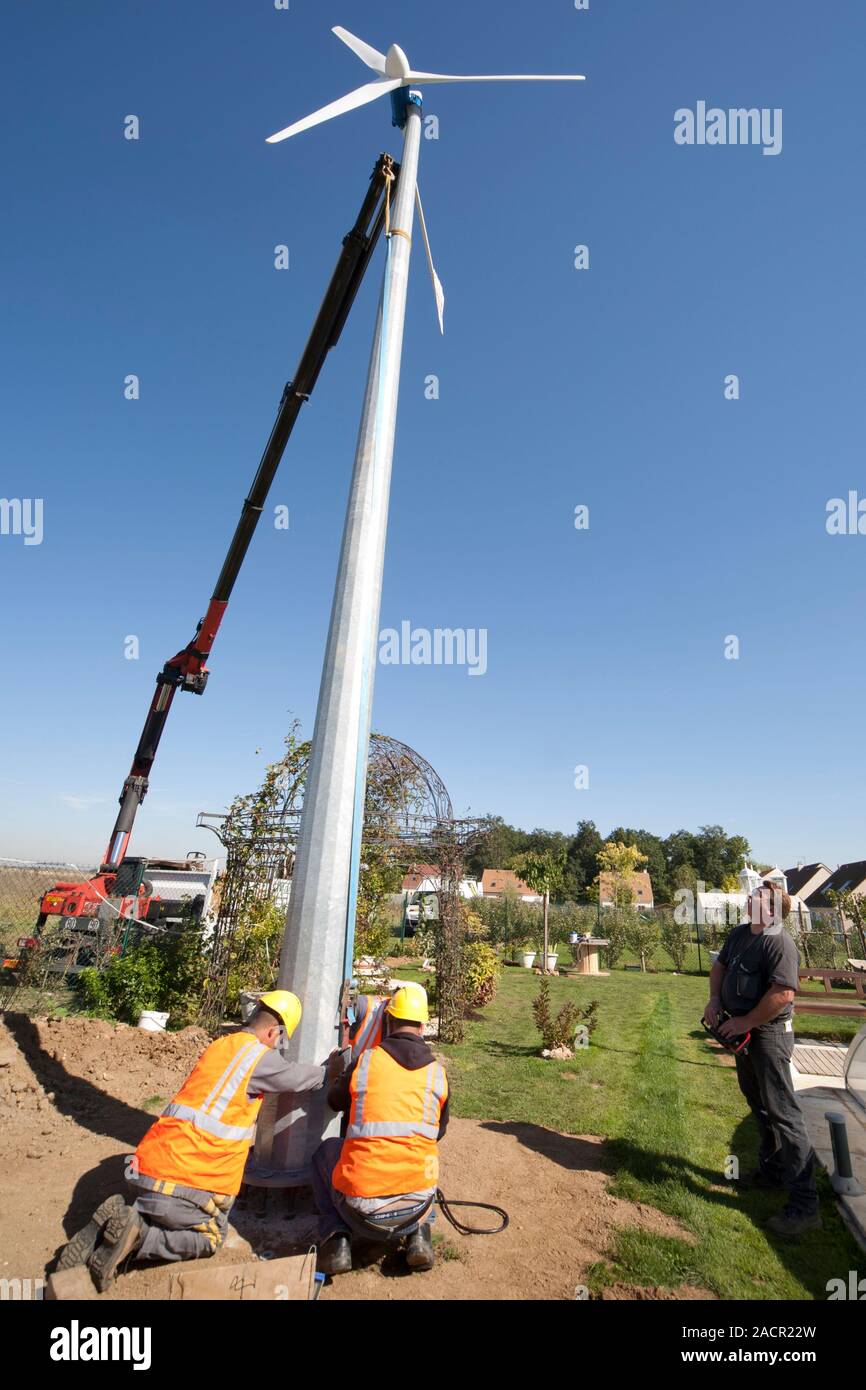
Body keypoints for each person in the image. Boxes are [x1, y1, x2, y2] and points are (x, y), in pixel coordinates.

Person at [64, 990, 340, 1289]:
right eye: (279, 1042)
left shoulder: (221, 1046)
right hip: (187, 1181)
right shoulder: (257, 1058)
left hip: (147, 1168)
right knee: (209, 1238)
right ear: (273, 1032)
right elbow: (295, 1077)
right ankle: (139, 1236)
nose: (277, 1048)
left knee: (166, 1209)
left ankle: (125, 1220)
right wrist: (329, 1072)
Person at [703, 881, 819, 1236]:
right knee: (760, 1106)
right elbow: (720, 968)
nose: (749, 897)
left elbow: (783, 993)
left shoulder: (778, 942)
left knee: (785, 1114)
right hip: (743, 1034)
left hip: (767, 1036)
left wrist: (745, 1022)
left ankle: (805, 1206)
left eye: (756, 896)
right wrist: (715, 1001)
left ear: (771, 909)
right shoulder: (740, 934)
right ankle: (771, 1173)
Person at [312, 982, 449, 1275]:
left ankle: (336, 1238)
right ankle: (419, 1237)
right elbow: (438, 1132)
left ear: (388, 1021)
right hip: (416, 1209)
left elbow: (334, 1103)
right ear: (423, 1027)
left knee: (325, 1152)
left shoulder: (366, 1062)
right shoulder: (438, 1074)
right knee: (425, 1159)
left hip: (361, 1212)